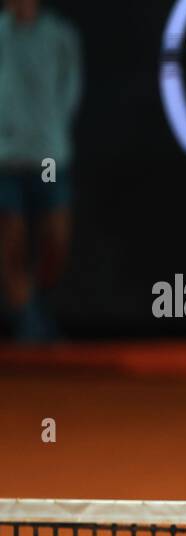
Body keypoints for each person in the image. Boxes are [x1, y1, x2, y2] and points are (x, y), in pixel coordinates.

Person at [0, 0, 81, 342]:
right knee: (11, 239)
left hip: (48, 159)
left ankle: (31, 305)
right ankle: (27, 322)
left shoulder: (60, 36)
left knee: (55, 237)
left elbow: (70, 90)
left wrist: (50, 132)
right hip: (5, 160)